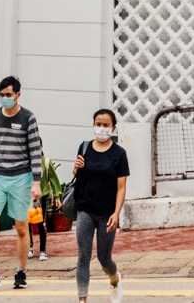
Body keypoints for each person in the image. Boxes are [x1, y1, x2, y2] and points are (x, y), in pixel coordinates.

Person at [0, 75, 44, 292]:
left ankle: (20, 271)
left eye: (8, 94)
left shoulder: (28, 118)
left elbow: (35, 150)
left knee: (22, 227)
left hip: (21, 177)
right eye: (1, 95)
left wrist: (36, 182)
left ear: (18, 94)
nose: (4, 98)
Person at [70, 110, 128, 303]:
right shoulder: (85, 147)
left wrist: (116, 213)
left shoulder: (119, 154)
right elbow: (77, 175)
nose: (101, 128)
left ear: (113, 127)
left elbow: (121, 187)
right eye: (98, 124)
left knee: (104, 258)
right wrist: (76, 167)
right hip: (85, 208)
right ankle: (82, 299)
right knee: (83, 256)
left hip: (107, 213)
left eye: (105, 125)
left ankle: (114, 278)